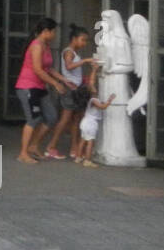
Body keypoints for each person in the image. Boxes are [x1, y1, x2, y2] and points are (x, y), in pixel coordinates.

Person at [14, 17, 72, 164]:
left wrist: (63, 80)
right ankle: (23, 153)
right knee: (33, 119)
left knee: (51, 117)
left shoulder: (45, 45)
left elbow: (48, 68)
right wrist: (55, 84)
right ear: (46, 31)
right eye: (54, 32)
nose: (55, 35)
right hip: (27, 87)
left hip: (39, 87)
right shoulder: (37, 45)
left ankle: (33, 146)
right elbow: (38, 70)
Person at [43, 25, 96, 160]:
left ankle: (74, 148)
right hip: (69, 90)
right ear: (74, 39)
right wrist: (85, 60)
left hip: (75, 89)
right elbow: (68, 66)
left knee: (75, 119)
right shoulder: (69, 52)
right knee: (65, 119)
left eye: (86, 41)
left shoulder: (74, 52)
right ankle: (51, 147)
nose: (84, 43)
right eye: (83, 40)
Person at [75, 63, 115, 169]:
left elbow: (91, 82)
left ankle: (78, 157)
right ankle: (87, 160)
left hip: (85, 122)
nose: (94, 87)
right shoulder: (94, 100)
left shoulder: (89, 99)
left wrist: (94, 70)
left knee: (83, 140)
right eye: (92, 88)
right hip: (91, 123)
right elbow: (103, 107)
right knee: (90, 142)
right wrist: (109, 100)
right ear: (91, 92)